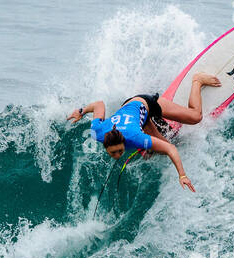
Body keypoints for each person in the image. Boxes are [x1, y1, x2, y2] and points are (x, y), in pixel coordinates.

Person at [68, 73, 221, 192]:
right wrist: (81, 112)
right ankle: (157, 128)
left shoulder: (134, 137)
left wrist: (182, 175)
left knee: (195, 117)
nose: (117, 155)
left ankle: (197, 80)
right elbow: (98, 104)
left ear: (123, 141)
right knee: (154, 151)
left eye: (119, 151)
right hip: (132, 111)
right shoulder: (97, 132)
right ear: (105, 145)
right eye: (113, 152)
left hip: (146, 103)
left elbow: (170, 150)